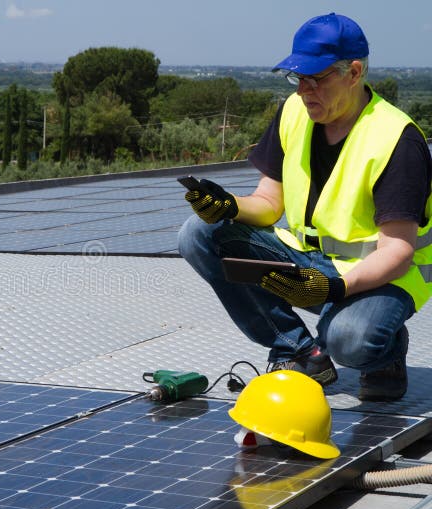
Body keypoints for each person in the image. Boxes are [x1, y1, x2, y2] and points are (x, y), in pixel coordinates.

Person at [177, 13, 432, 401]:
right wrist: (228, 207)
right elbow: (268, 204)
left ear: (355, 72)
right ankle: (300, 352)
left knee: (349, 340)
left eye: (317, 79)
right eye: (298, 79)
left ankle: (386, 352)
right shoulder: (294, 113)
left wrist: (335, 287)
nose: (304, 91)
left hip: (381, 277)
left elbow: (397, 252)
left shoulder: (397, 139)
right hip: (311, 264)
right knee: (197, 234)